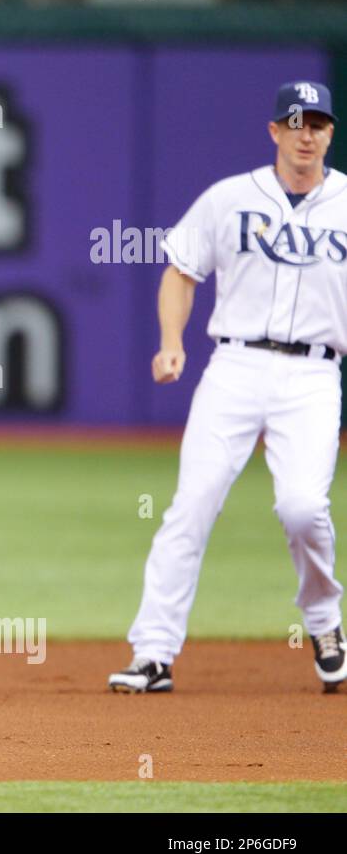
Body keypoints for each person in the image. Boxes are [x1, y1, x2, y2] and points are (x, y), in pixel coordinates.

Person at [109, 81, 347, 694]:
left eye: (317, 123)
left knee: (302, 507)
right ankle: (152, 653)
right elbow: (181, 269)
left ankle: (323, 620)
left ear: (329, 132)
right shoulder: (231, 198)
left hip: (314, 373)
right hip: (235, 365)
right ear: (274, 130)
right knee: (191, 507)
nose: (305, 133)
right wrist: (171, 341)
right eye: (294, 122)